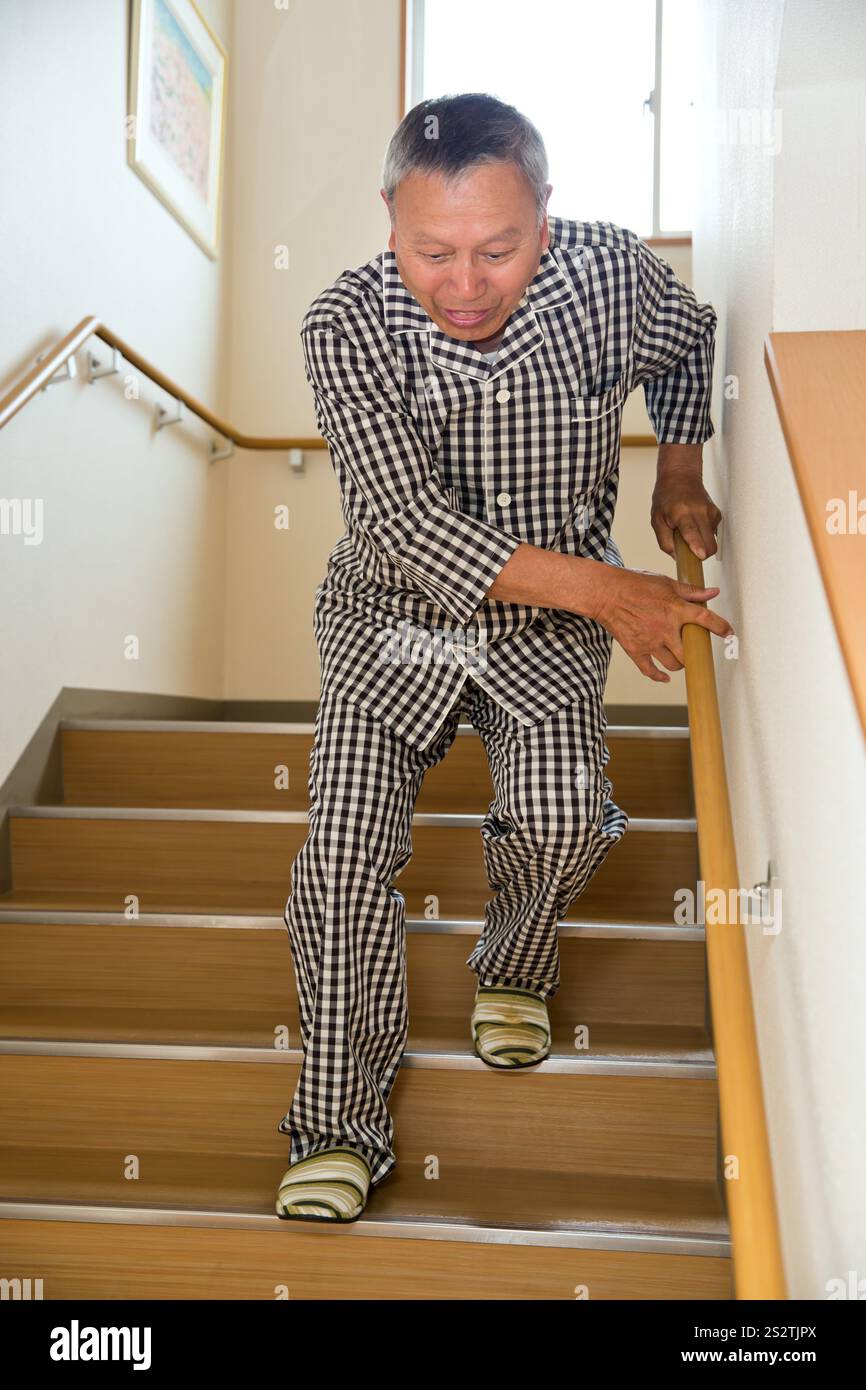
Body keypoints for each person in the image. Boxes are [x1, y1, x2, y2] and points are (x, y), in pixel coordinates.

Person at [275, 92, 734, 1223]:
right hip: (390, 617)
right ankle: (338, 1125)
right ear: (388, 221)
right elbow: (409, 530)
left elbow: (688, 340)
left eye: (498, 248)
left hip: (543, 634)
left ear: (546, 218)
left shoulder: (608, 277)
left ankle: (515, 962)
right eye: (432, 252)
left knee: (564, 816)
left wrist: (677, 473)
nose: (466, 285)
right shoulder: (342, 325)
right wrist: (613, 588)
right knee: (338, 860)